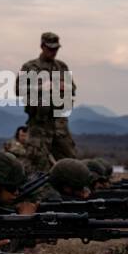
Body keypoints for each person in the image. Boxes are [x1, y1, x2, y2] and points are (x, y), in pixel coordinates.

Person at [19, 31, 77, 171]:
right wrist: (42, 87)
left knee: (69, 163)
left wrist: (65, 87)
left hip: (59, 124)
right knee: (37, 163)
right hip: (39, 124)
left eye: (56, 49)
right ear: (42, 46)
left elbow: (72, 88)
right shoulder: (30, 67)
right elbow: (19, 89)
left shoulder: (62, 67)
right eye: (50, 48)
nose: (53, 52)